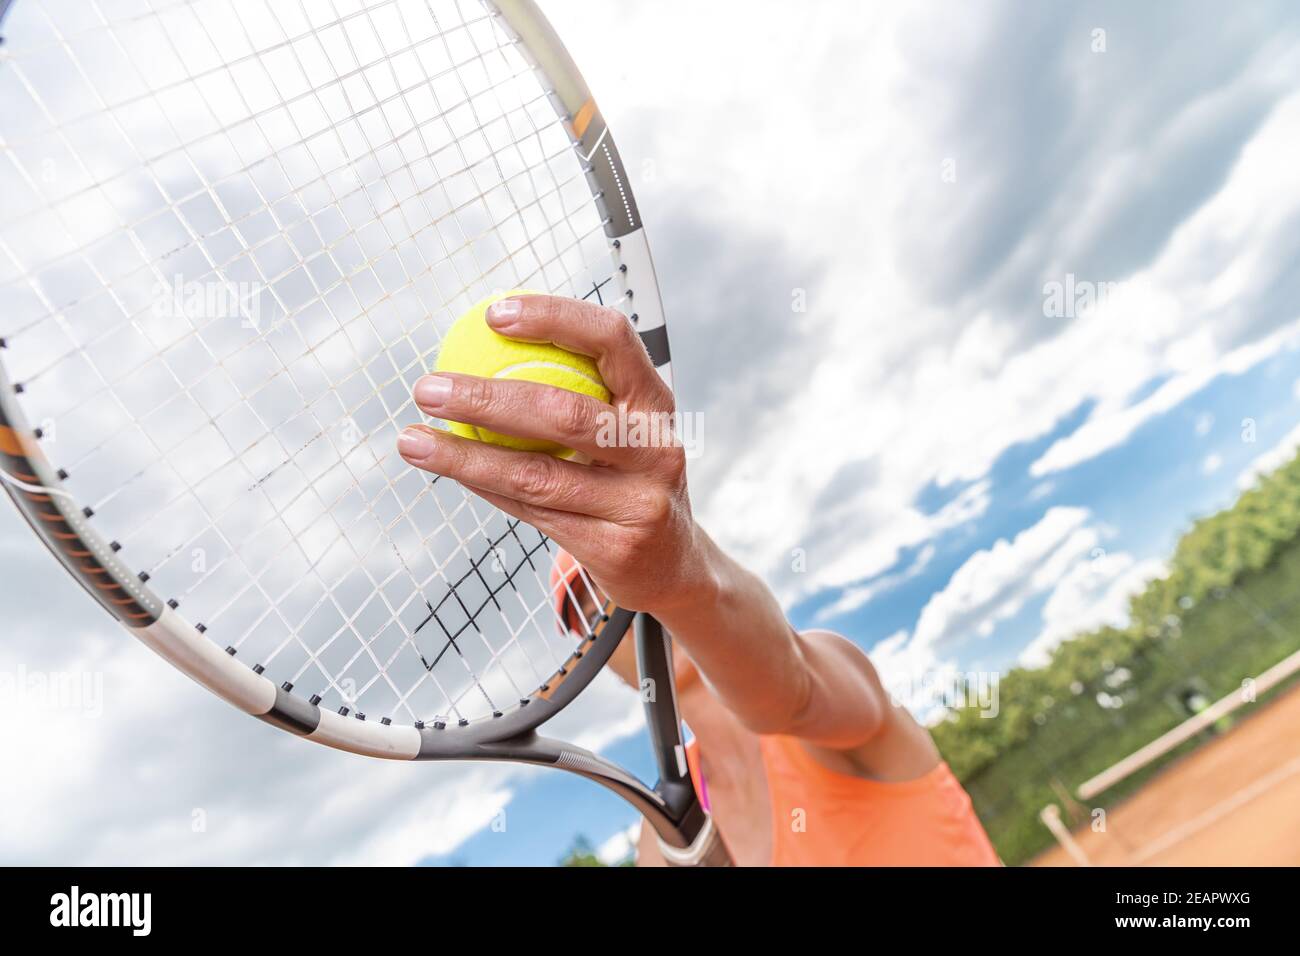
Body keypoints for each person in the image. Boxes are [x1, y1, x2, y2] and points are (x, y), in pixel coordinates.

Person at [397, 294, 999, 866]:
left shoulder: (829, 702)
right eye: (585, 604)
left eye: (616, 570)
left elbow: (792, 687)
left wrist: (681, 582)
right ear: (593, 659)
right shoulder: (659, 846)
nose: (616, 596)